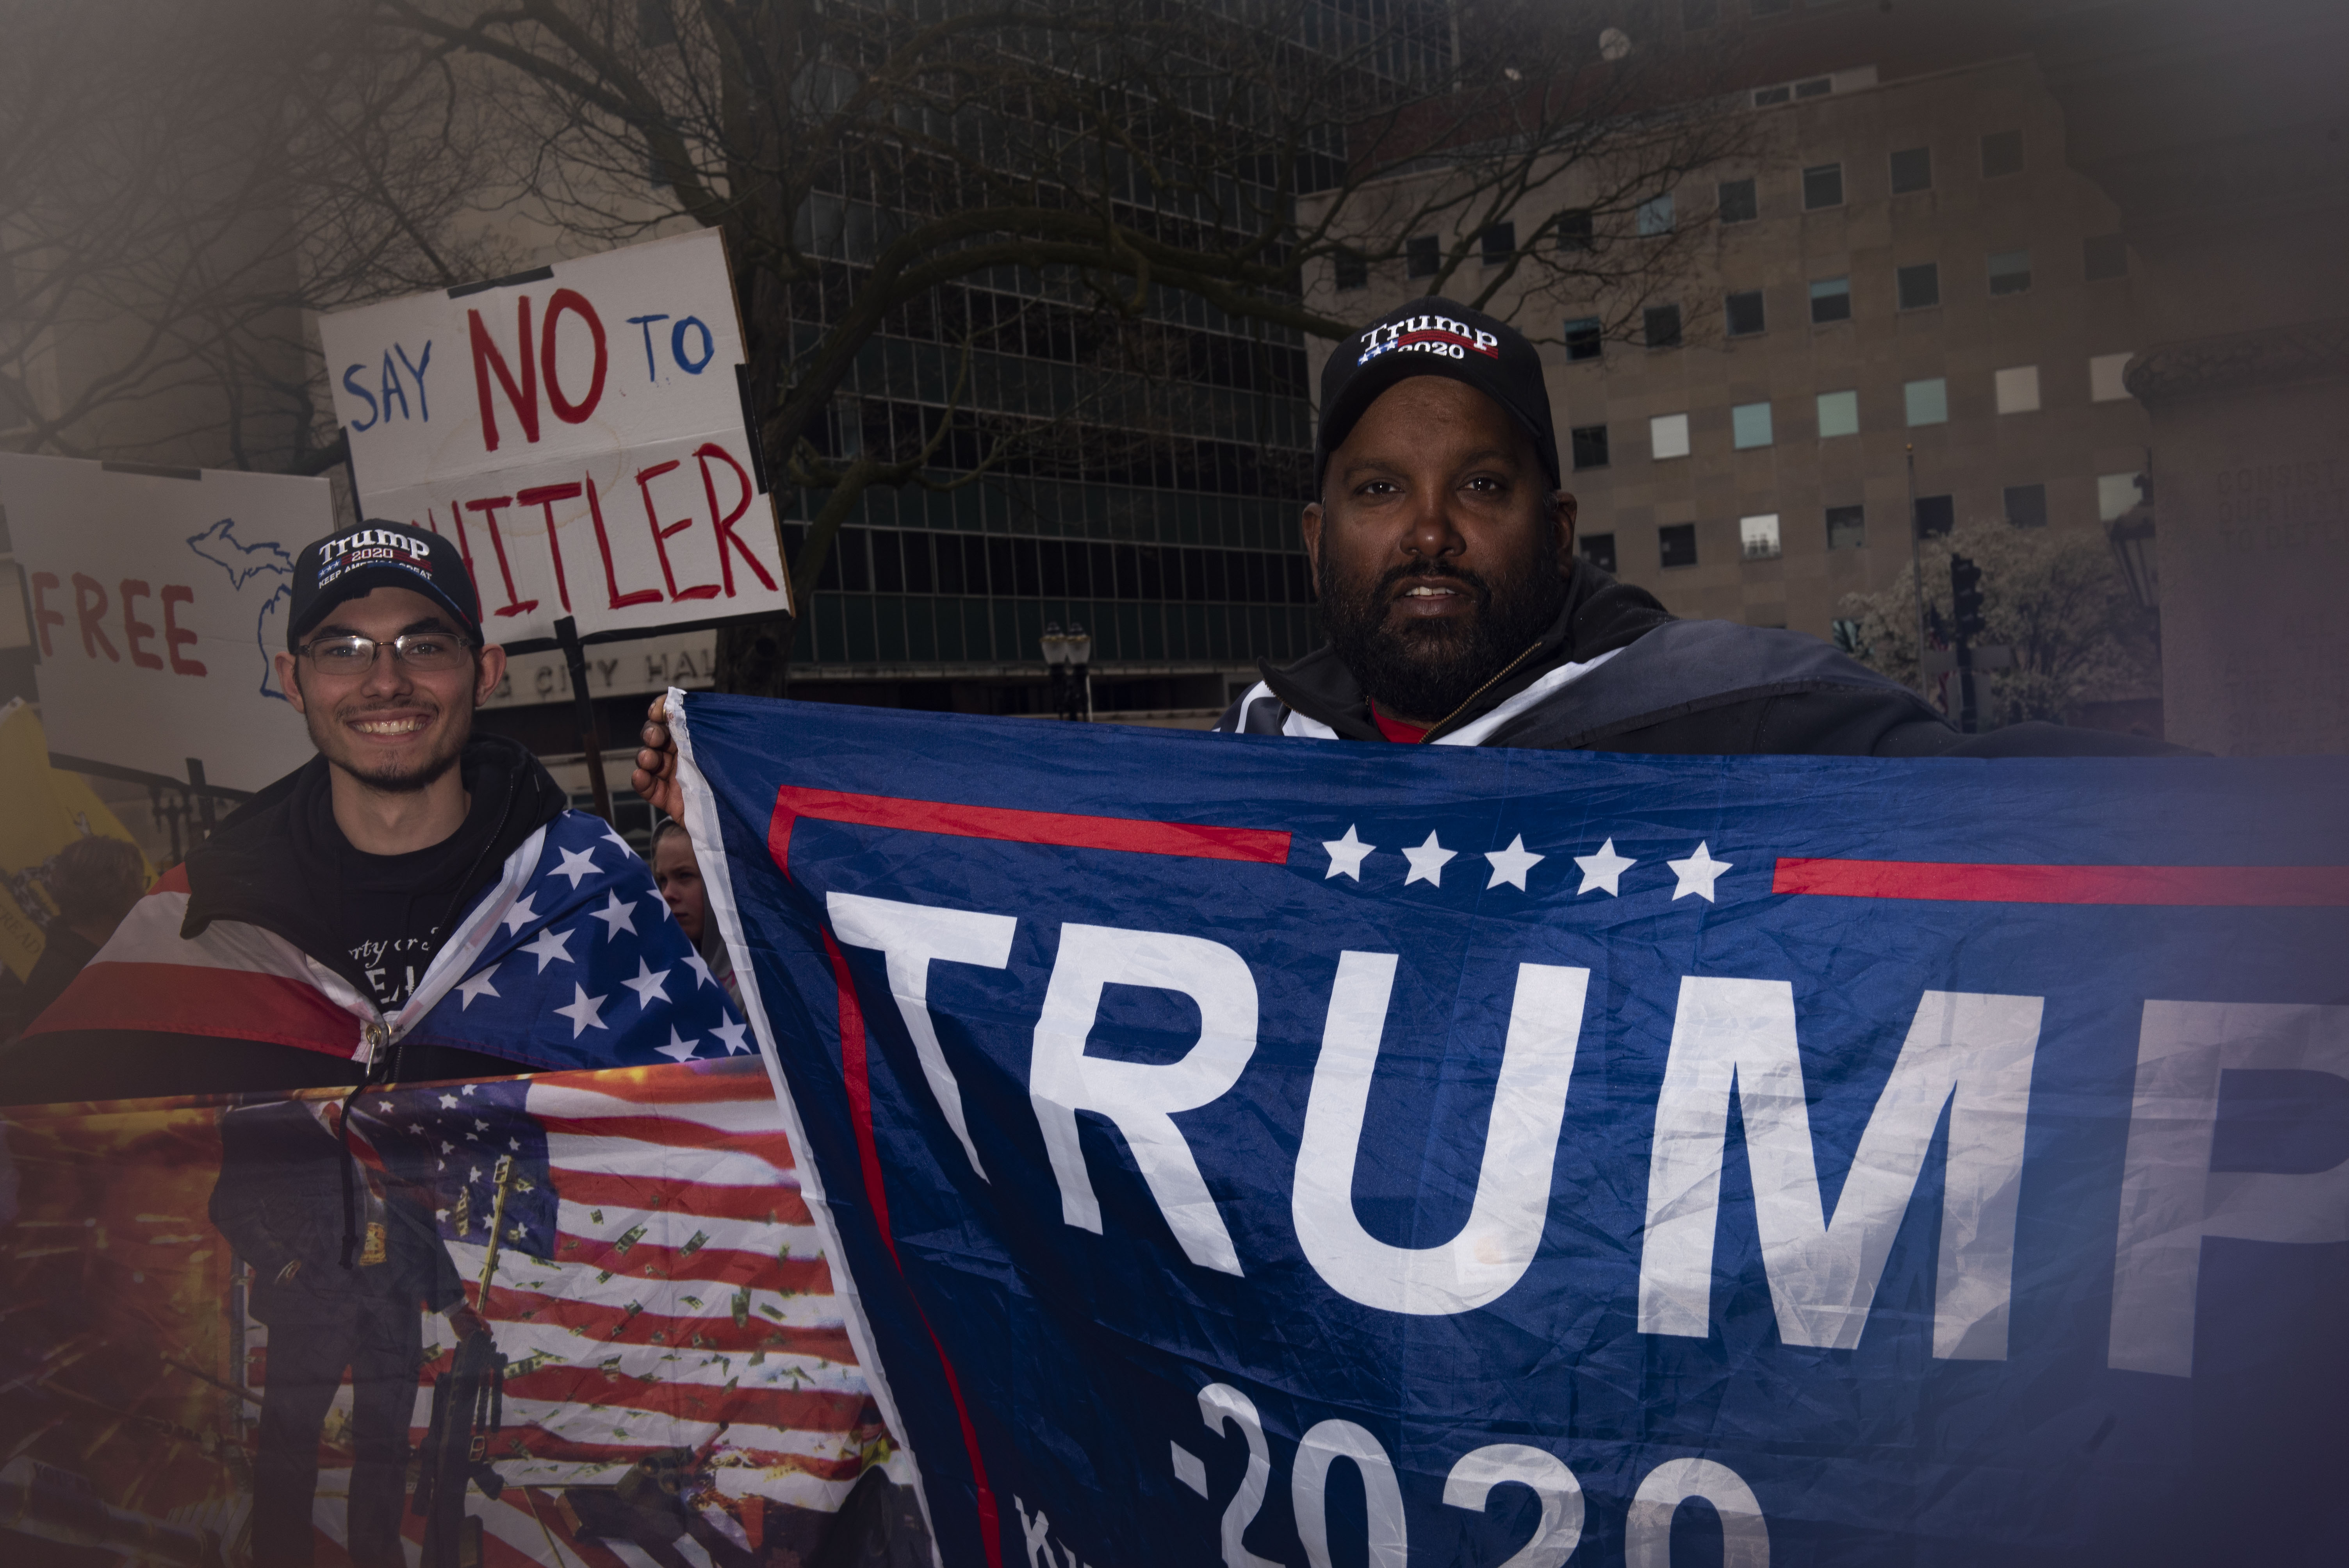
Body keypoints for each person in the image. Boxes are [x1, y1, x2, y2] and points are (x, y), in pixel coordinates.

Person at [1210, 297, 2178, 756]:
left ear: (1556, 531)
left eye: (1479, 485)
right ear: (1314, 537)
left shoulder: (1734, 713)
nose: (1428, 533)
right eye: (1379, 490)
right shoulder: (1256, 744)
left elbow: (2028, 812)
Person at [0, 519, 724, 1105]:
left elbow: (756, 1127)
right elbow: (42, 1163)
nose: (386, 681)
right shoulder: (194, 920)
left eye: (426, 644)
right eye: (343, 649)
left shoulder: (593, 891)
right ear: (294, 681)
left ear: (486, 673)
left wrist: (734, 859)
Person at [210, 1094, 483, 1568]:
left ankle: (377, 1557)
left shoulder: (388, 1120)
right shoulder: (257, 1124)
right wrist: (285, 1265)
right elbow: (229, 1206)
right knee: (290, 1440)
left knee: (387, 1446)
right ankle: (281, 1558)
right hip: (312, 1304)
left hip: (391, 1304)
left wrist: (454, 1304)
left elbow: (415, 1217)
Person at [17, 835, 147, 1031]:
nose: (144, 897)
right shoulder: (60, 984)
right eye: (136, 887)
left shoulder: (96, 964)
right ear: (110, 893)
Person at [651, 819, 741, 1010]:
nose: (667, 894)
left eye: (684, 875)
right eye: (662, 880)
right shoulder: (659, 979)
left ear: (721, 879)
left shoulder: (756, 990)